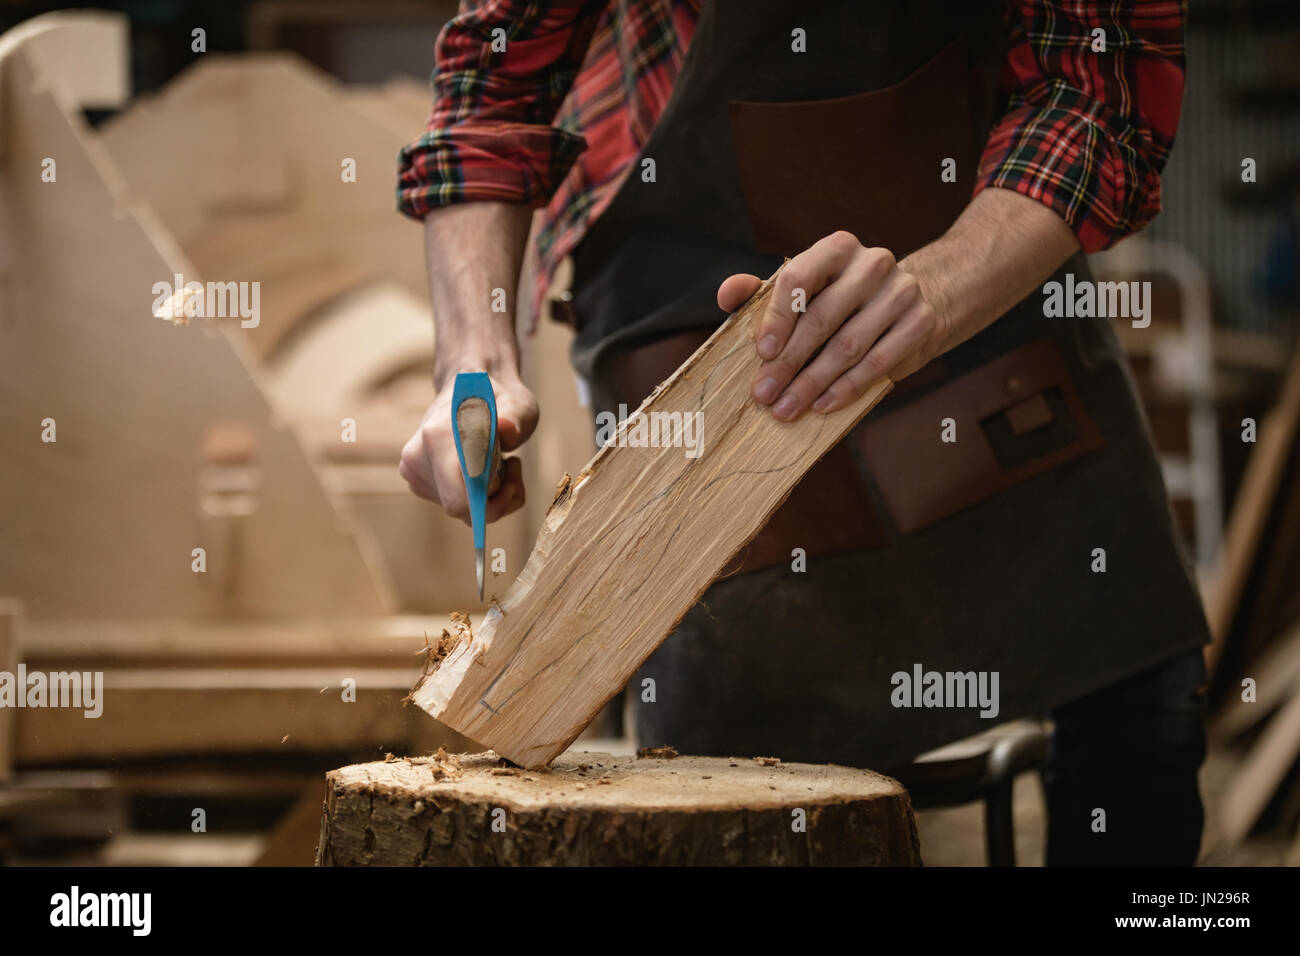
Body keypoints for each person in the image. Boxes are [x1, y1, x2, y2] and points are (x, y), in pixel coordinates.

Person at [396, 0, 1208, 865]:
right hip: (684, 295)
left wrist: (937, 290)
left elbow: (1096, 90)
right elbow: (496, 80)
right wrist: (471, 363)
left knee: (1137, 712)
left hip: (981, 246)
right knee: (727, 782)